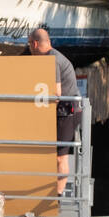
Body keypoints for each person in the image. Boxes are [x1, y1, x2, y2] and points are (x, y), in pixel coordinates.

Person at [28, 27, 79, 196]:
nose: (29, 48)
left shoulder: (52, 59)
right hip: (61, 111)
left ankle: (56, 196)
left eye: (29, 44)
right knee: (48, 154)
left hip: (67, 112)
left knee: (60, 157)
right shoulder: (52, 57)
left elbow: (56, 93)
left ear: (35, 44)